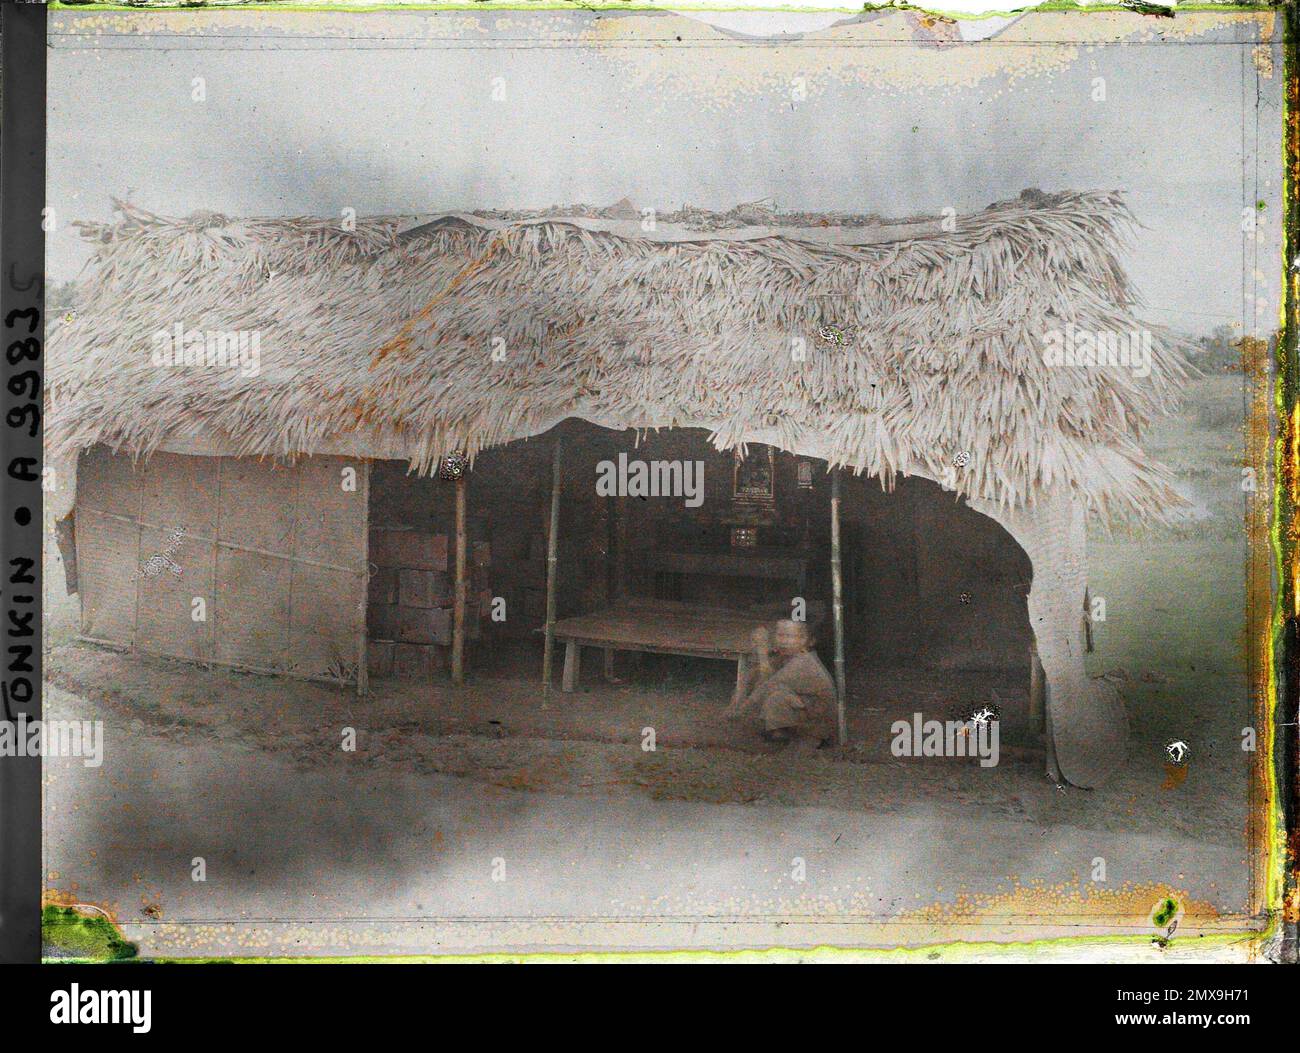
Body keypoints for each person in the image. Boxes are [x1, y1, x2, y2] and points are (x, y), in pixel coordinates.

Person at [724, 619, 837, 750]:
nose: (784, 641)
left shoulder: (803, 663)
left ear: (803, 640)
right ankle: (778, 734)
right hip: (806, 715)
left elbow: (766, 688)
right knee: (770, 685)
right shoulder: (786, 657)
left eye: (790, 636)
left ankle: (802, 740)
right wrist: (762, 652)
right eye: (780, 635)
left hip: (818, 725)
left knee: (778, 695)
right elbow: (759, 676)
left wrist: (738, 714)